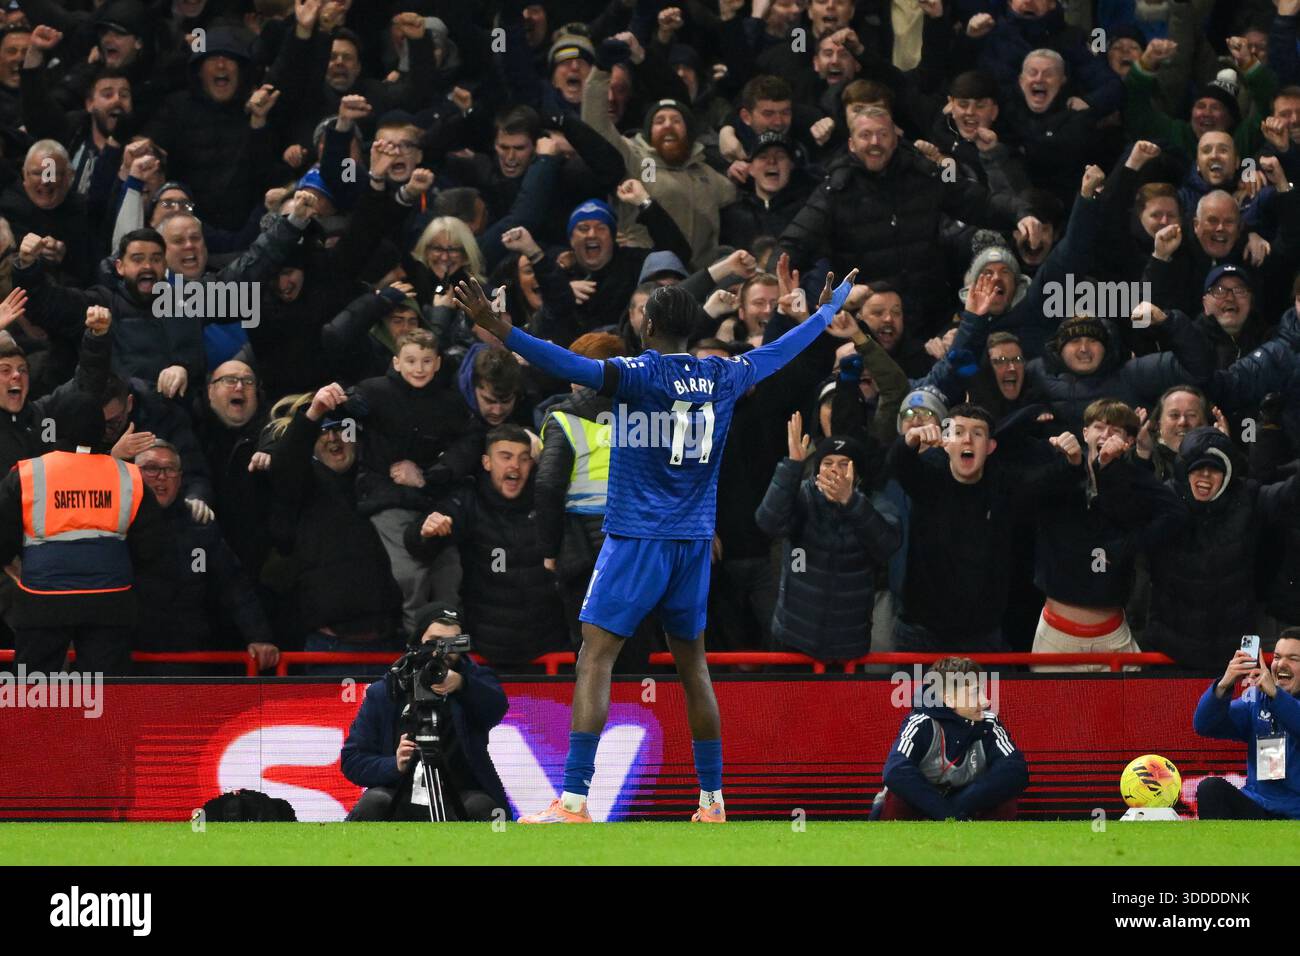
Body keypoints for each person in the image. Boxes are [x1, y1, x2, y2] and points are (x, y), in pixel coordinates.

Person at [451, 266, 858, 823]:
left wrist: (497, 327)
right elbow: (781, 352)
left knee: (595, 658)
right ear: (691, 330)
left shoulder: (636, 374)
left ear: (646, 326)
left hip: (636, 537)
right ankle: (712, 802)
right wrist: (824, 314)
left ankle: (573, 802)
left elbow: (560, 361)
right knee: (695, 669)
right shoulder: (724, 375)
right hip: (692, 545)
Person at [0, 390, 166, 675]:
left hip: (43, 599)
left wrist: (13, 565)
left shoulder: (29, 473)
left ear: (57, 426)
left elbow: (2, 534)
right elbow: (152, 547)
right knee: (105, 698)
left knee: (32, 692)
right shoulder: (128, 475)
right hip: (110, 600)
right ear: (101, 429)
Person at [341, 602, 510, 822]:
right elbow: (352, 761)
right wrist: (394, 764)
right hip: (399, 795)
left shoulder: (472, 679)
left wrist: (462, 684)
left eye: (452, 644)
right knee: (373, 802)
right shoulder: (386, 691)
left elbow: (497, 707)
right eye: (434, 642)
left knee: (483, 807)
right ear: (416, 642)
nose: (443, 651)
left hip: (458, 796)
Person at [755, 418, 901, 661]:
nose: (835, 470)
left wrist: (851, 502)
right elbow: (767, 522)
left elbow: (887, 545)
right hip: (793, 638)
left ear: (858, 474)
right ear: (817, 469)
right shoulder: (803, 495)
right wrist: (792, 466)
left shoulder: (874, 504)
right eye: (828, 463)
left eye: (845, 464)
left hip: (848, 646)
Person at [871, 656, 1029, 821]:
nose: (986, 701)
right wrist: (945, 812)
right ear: (949, 699)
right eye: (976, 693)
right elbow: (896, 771)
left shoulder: (988, 722)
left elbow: (1015, 770)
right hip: (923, 807)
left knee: (1005, 799)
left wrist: (957, 807)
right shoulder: (921, 723)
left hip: (964, 808)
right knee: (898, 798)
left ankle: (991, 846)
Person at [1192, 630, 1300, 819]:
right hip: (1259, 806)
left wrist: (1276, 695)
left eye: (1293, 658)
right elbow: (1204, 724)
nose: (1281, 664)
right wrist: (1224, 685)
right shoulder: (1257, 700)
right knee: (1211, 788)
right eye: (1277, 657)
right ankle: (1215, 849)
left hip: (1295, 812)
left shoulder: (1272, 696)